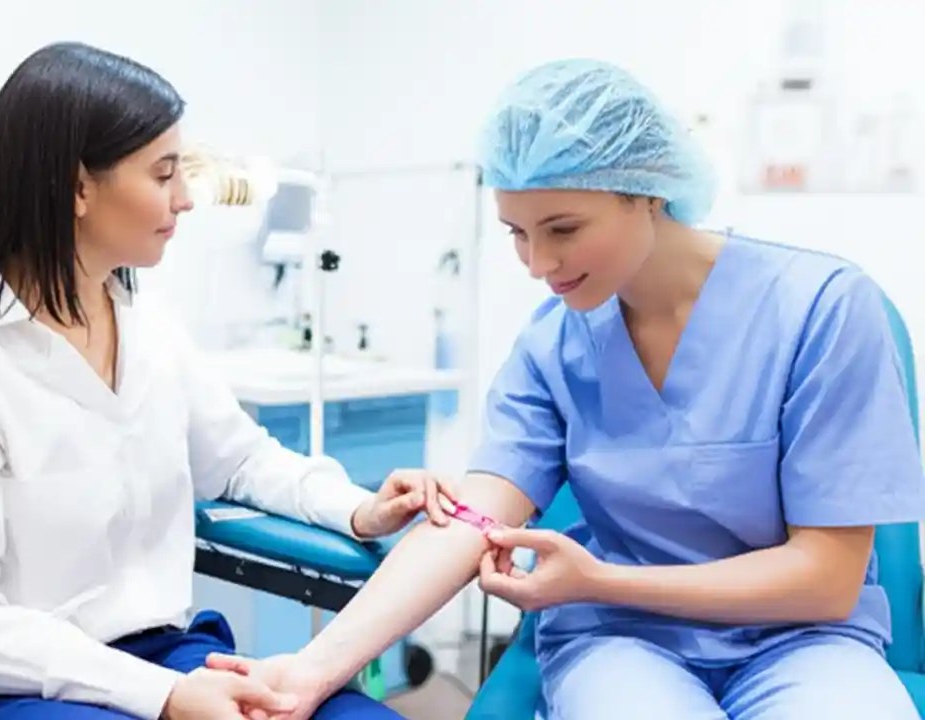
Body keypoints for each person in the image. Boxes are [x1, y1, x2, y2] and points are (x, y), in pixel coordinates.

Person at [207, 59, 925, 719]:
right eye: (516, 232)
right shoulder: (554, 344)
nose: (537, 262)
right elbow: (467, 519)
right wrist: (311, 668)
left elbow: (828, 577)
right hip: (624, 645)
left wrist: (600, 581)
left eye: (564, 228)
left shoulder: (822, 309)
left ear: (648, 192)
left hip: (802, 639)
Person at [0, 41, 447, 720]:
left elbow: (240, 461)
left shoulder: (148, 327)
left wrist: (356, 508)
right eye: (164, 174)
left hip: (161, 655)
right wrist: (165, 697)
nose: (187, 199)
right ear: (77, 186)